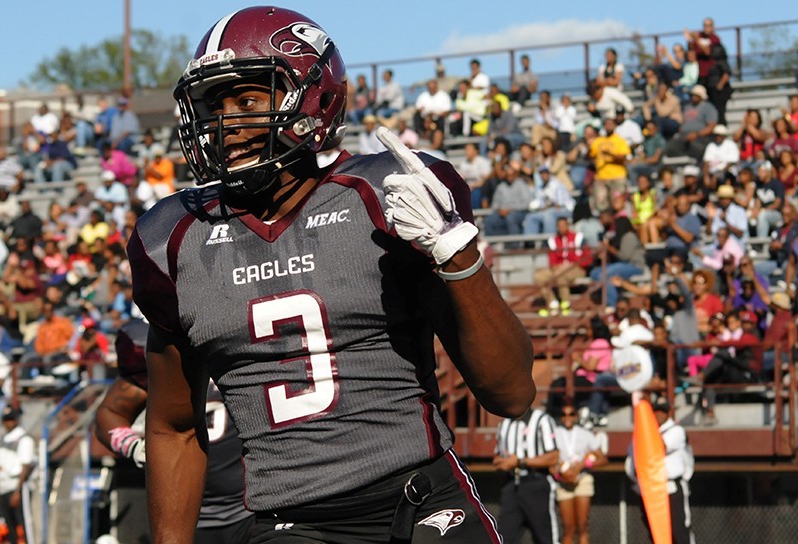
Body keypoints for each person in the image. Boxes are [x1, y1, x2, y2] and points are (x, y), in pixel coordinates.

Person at [130, 7, 534, 544]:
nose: (225, 124)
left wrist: (456, 253)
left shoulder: (382, 197)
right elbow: (174, 426)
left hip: (421, 500)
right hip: (292, 522)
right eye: (213, 105)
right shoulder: (175, 236)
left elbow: (512, 396)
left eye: (248, 99)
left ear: (314, 96)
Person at [94, 320, 253, 544]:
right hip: (183, 515)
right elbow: (109, 414)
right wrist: (135, 448)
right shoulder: (164, 348)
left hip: (250, 506)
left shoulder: (238, 335)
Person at [625, 397, 694, 544]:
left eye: (661, 411)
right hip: (649, 489)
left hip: (671, 487)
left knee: (679, 531)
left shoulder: (676, 430)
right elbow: (632, 459)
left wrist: (647, 430)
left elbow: (658, 448)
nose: (657, 415)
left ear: (668, 413)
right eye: (654, 411)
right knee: (655, 534)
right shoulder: (641, 433)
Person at [492, 405, 560, 544]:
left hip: (536, 483)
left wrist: (520, 461)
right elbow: (497, 456)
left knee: (545, 537)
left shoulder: (542, 420)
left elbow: (554, 456)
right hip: (511, 485)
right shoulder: (504, 424)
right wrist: (502, 463)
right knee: (503, 538)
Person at [552, 401, 608, 544]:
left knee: (582, 525)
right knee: (568, 526)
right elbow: (550, 462)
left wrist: (583, 464)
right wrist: (562, 475)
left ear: (576, 416)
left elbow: (602, 459)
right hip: (563, 481)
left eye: (571, 414)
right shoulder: (555, 434)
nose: (567, 417)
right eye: (563, 414)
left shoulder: (586, 434)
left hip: (582, 479)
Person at [0, 406, 36, 544]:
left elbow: (25, 466)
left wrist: (17, 492)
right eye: (5, 420)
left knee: (24, 523)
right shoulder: (2, 439)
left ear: (16, 420)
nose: (8, 423)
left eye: (10, 419)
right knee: (10, 525)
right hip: (3, 487)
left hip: (17, 487)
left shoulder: (23, 439)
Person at [534, 217, 591, 316]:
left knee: (561, 274)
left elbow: (587, 257)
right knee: (539, 276)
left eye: (564, 225)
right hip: (558, 268)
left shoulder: (578, 238)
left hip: (576, 268)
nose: (562, 228)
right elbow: (552, 259)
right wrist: (554, 266)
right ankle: (553, 304)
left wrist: (574, 264)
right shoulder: (553, 240)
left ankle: (566, 305)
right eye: (559, 226)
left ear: (568, 226)